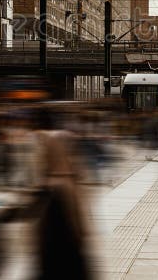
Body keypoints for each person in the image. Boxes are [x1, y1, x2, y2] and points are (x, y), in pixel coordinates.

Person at [31, 109, 92, 280]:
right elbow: (79, 168)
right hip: (69, 191)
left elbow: (38, 169)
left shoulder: (41, 139)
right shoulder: (67, 137)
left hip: (51, 195)